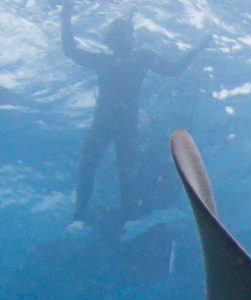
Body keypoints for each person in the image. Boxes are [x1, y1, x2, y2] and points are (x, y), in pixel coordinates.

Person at [62, 1, 201, 225]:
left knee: (104, 170)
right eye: (123, 34)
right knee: (112, 171)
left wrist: (65, 15)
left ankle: (92, 216)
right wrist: (198, 49)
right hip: (119, 125)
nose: (127, 37)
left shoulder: (125, 59)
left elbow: (70, 50)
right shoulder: (134, 58)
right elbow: (174, 70)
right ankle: (96, 216)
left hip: (109, 124)